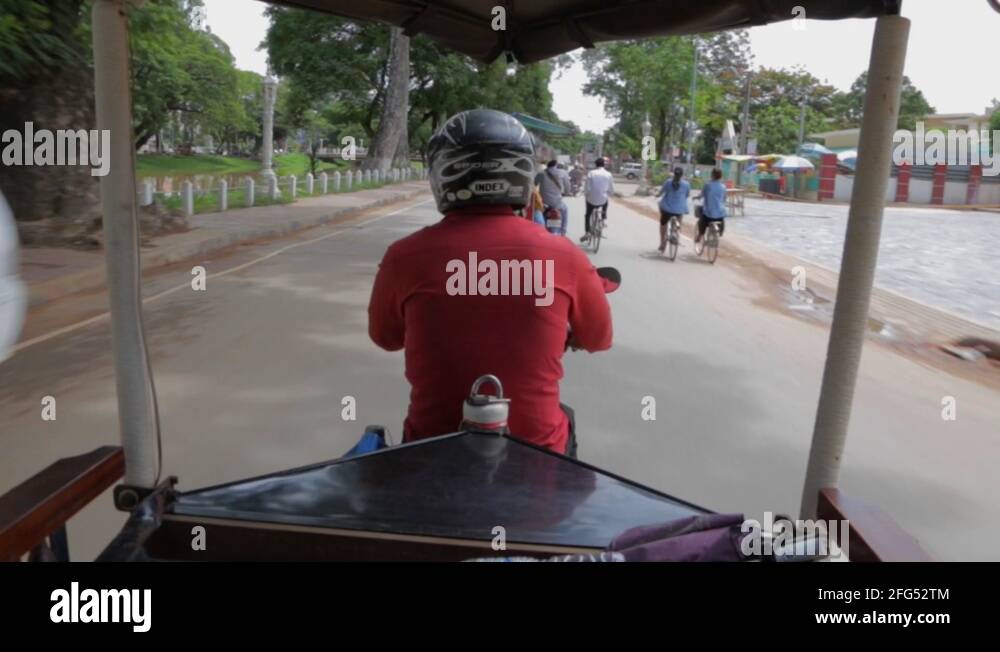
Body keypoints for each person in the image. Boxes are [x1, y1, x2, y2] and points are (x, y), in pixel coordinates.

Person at [368, 109, 613, 456]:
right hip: (536, 453)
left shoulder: (404, 256)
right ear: (523, 173)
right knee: (564, 427)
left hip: (428, 448)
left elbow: (386, 337)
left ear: (443, 174)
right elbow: (599, 339)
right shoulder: (563, 256)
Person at [655, 167, 690, 253]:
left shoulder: (668, 182)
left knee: (663, 223)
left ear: (674, 173)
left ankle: (663, 243)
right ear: (682, 175)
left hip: (667, 209)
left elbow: (660, 193)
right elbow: (687, 195)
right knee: (679, 219)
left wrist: (656, 194)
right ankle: (675, 232)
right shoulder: (686, 184)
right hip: (679, 210)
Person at [580, 157, 615, 243]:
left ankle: (587, 232)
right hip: (602, 199)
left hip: (591, 200)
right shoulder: (608, 174)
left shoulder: (591, 173)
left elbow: (587, 187)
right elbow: (611, 189)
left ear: (596, 165)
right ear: (604, 165)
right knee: (606, 202)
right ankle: (603, 219)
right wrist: (610, 194)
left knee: (587, 215)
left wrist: (586, 194)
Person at [535, 160, 570, 235]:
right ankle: (563, 232)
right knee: (565, 210)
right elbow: (567, 186)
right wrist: (567, 193)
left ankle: (538, 231)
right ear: (556, 165)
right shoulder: (563, 172)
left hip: (544, 203)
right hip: (557, 203)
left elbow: (534, 184)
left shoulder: (541, 173)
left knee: (537, 213)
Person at [694, 168, 727, 243]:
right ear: (721, 176)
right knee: (721, 218)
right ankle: (720, 232)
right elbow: (724, 199)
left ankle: (700, 235)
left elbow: (701, 195)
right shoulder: (723, 187)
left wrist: (696, 197)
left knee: (701, 221)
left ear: (712, 175)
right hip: (720, 214)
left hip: (709, 214)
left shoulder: (707, 185)